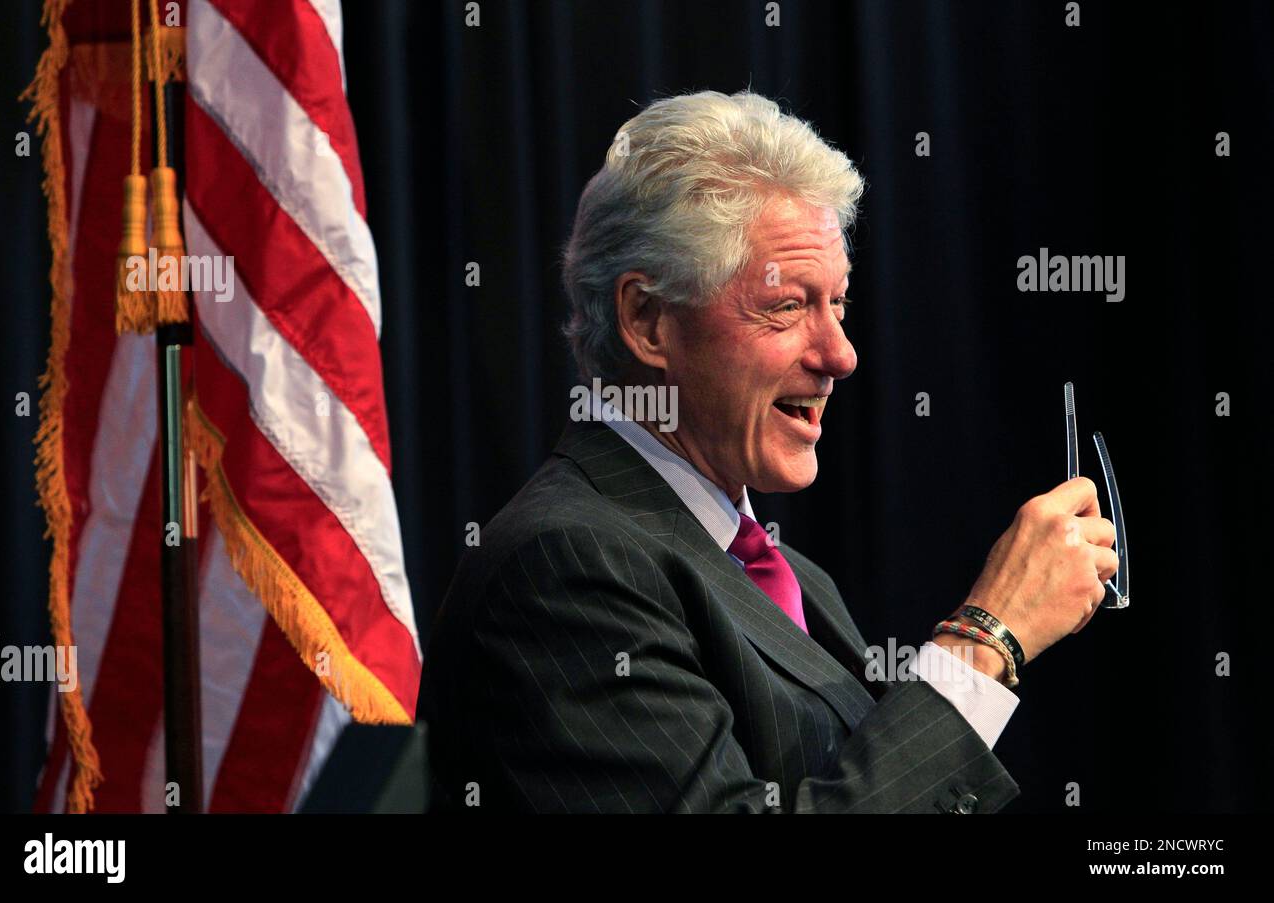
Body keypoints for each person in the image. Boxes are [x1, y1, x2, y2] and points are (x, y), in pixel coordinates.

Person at [416, 90, 1118, 813]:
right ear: (647, 319)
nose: (840, 354)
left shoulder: (788, 575)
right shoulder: (565, 566)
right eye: (786, 306)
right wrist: (984, 638)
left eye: (837, 304)